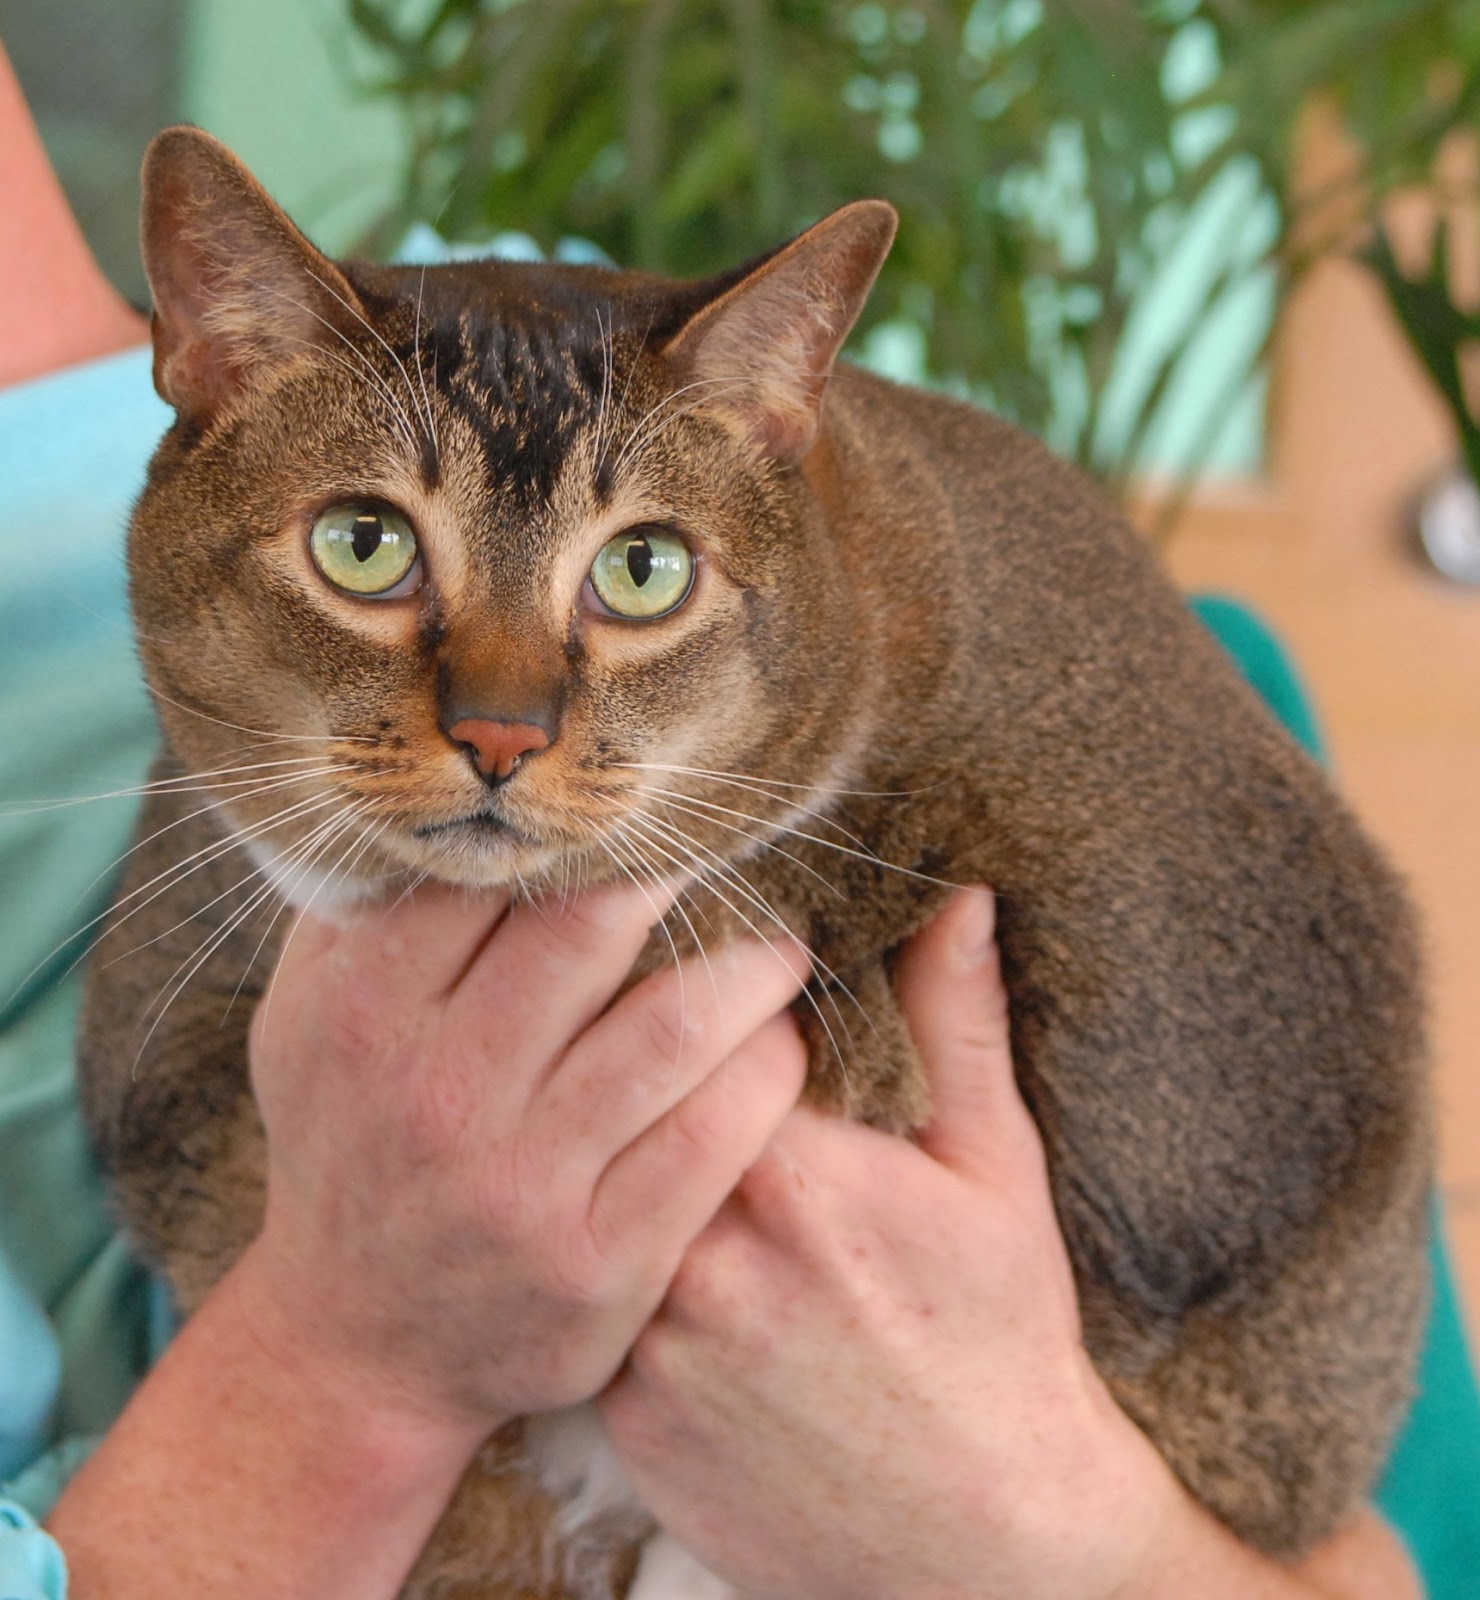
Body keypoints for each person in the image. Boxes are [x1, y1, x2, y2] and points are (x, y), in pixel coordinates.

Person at [0, 37, 1468, 1598]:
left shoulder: (574, 366)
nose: (502, 722)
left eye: (633, 577)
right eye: (372, 548)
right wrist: (347, 1358)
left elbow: (1356, 1545)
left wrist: (1056, 1529)